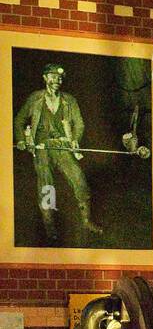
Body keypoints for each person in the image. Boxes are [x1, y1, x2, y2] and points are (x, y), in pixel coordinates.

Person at [13, 63, 102, 244]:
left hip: (62, 147)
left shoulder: (69, 100)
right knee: (47, 186)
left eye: (60, 77)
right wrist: (22, 140)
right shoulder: (35, 99)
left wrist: (75, 138)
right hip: (41, 148)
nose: (57, 80)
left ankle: (86, 221)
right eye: (53, 76)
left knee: (79, 180)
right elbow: (19, 120)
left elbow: (79, 123)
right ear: (45, 78)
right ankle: (50, 227)